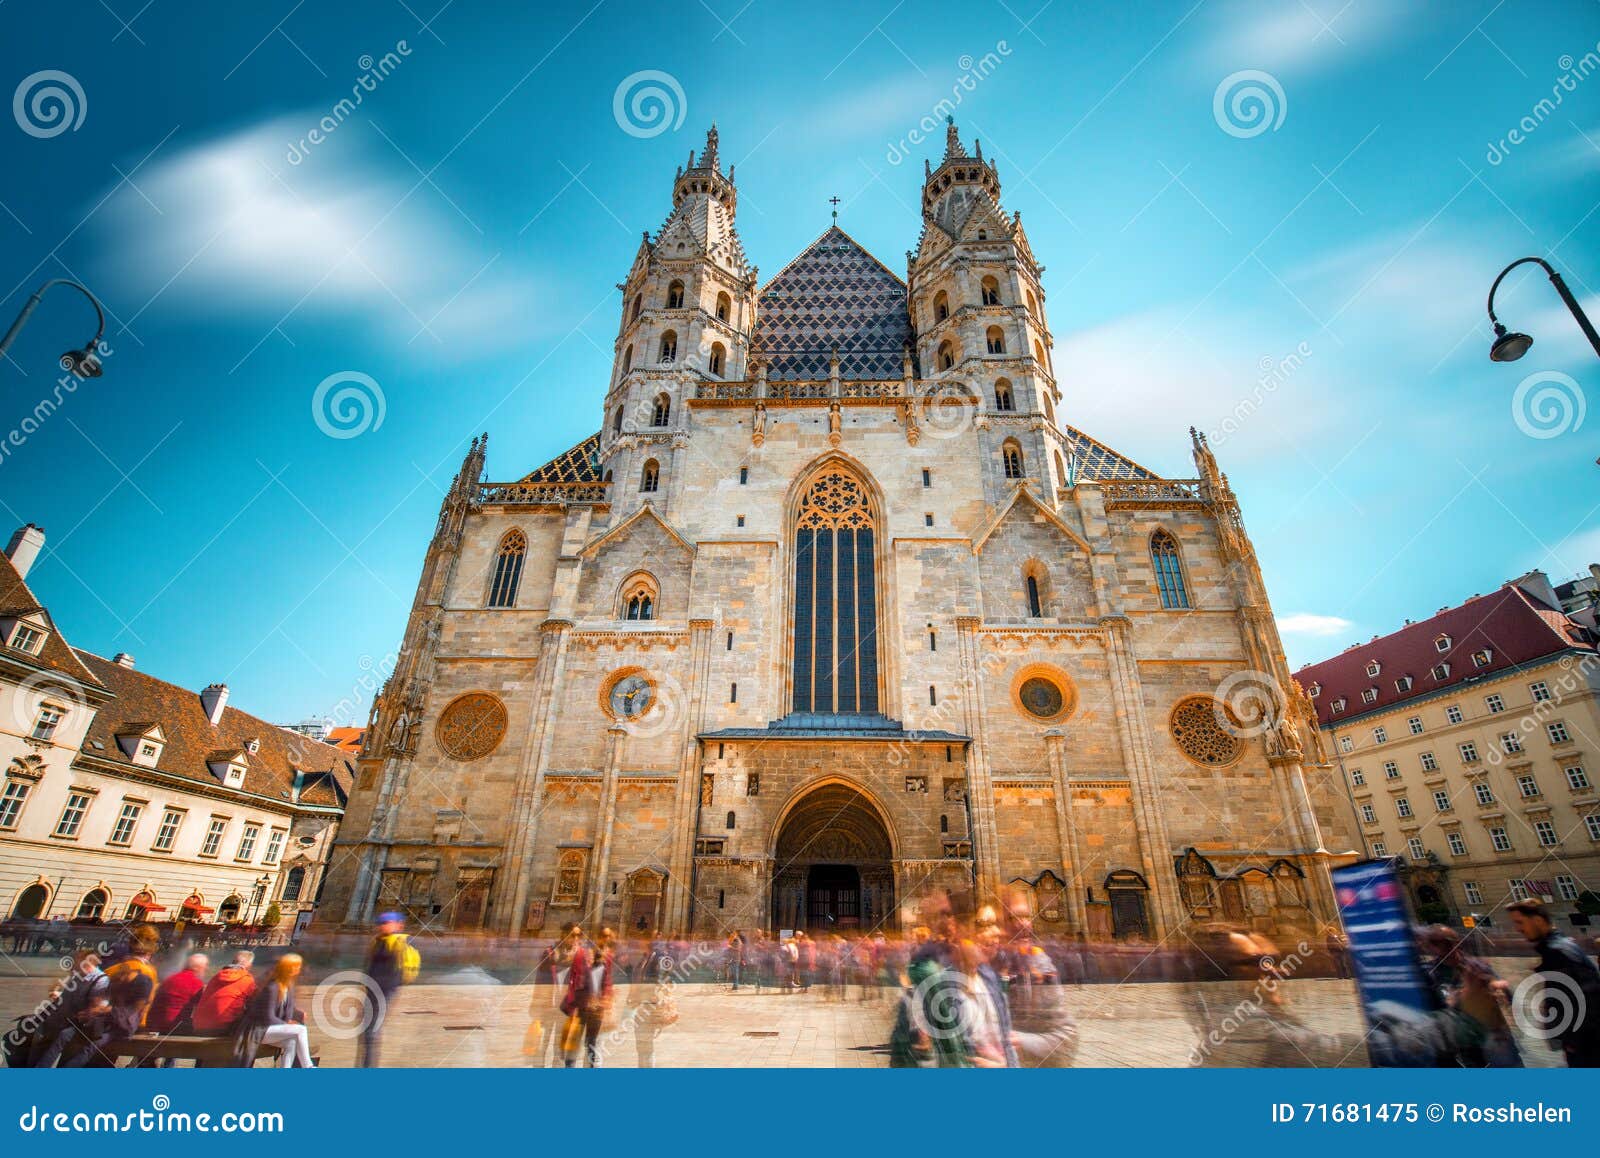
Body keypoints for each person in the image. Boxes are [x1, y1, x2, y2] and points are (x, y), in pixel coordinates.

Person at [1508, 898, 1600, 1067]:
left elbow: (1588, 999)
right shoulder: (1561, 945)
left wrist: (1574, 1044)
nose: (1518, 929)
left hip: (1587, 1046)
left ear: (1537, 920)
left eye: (1520, 922)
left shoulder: (1556, 952)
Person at [22, 949, 106, 1067]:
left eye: (78, 961)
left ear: (89, 963)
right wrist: (58, 995)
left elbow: (95, 1009)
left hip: (80, 1024)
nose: (74, 965)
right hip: (65, 1018)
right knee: (35, 1029)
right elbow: (67, 999)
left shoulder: (100, 981)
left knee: (58, 1036)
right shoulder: (78, 976)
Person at [235, 953, 312, 1067]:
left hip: (270, 1028)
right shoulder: (272, 987)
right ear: (285, 968)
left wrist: (296, 1016)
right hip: (257, 1030)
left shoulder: (288, 986)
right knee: (300, 1030)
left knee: (291, 1042)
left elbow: (288, 1013)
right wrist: (287, 1024)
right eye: (294, 966)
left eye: (297, 966)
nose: (297, 969)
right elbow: (268, 1017)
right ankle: (308, 1066)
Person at [360, 912, 412, 1068]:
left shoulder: (398, 943)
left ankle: (368, 1066)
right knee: (369, 1031)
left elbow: (399, 971)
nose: (383, 925)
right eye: (382, 922)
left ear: (398, 924)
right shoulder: (377, 941)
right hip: (373, 990)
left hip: (385, 990)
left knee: (371, 1031)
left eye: (387, 922)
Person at [562, 926, 616, 1067]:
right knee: (575, 1040)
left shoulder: (607, 958)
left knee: (592, 1042)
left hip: (596, 1009)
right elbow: (573, 980)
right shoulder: (582, 954)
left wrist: (606, 1001)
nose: (607, 939)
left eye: (609, 936)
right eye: (604, 936)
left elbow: (607, 982)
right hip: (581, 1006)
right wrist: (572, 1003)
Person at [191, 952, 257, 1035]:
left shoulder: (216, 976)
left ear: (232, 962)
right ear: (249, 965)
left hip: (199, 1026)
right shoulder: (247, 979)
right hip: (224, 1027)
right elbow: (254, 1004)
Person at [146, 953, 208, 1035]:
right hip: (172, 1026)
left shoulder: (170, 978)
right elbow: (204, 1007)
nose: (207, 969)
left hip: (152, 1023)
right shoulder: (195, 982)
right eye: (205, 966)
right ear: (196, 968)